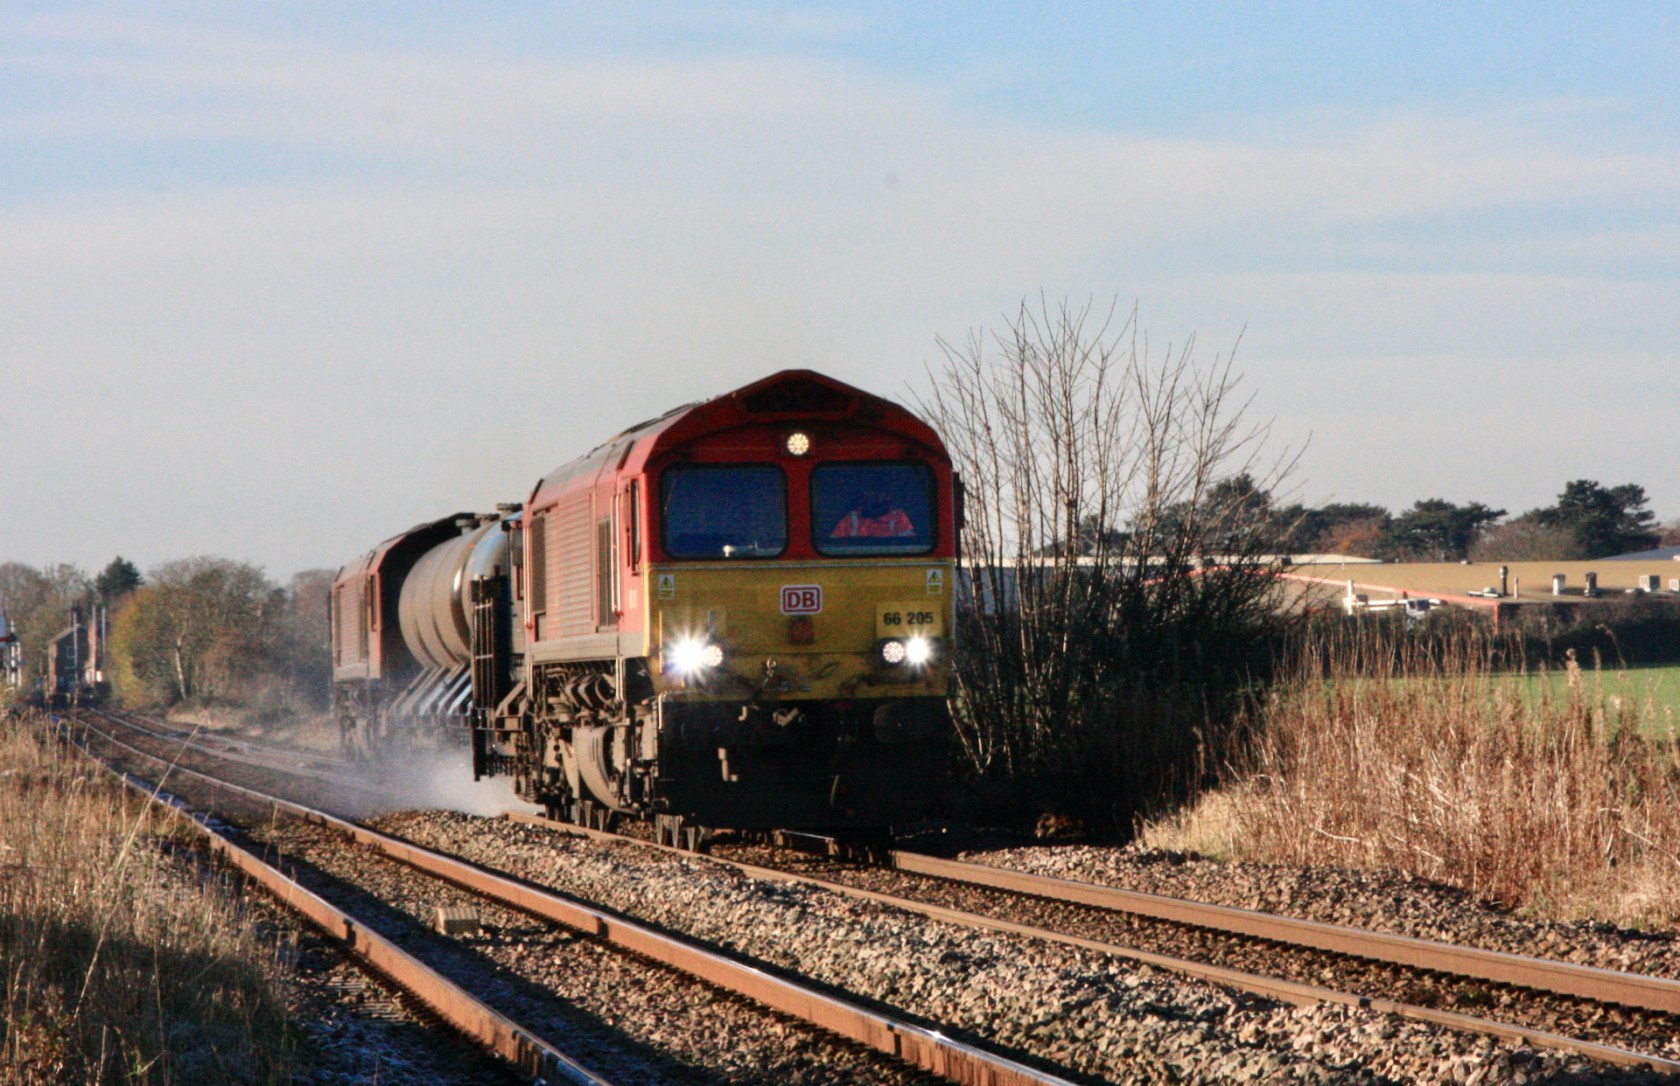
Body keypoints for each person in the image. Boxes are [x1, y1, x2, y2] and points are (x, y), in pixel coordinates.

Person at [831, 489, 915, 538]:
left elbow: (909, 546)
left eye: (878, 494)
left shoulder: (898, 516)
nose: (875, 498)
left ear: (887, 496)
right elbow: (834, 545)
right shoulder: (851, 519)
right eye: (871, 494)